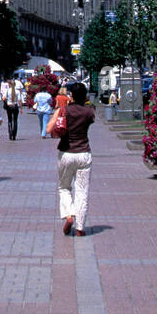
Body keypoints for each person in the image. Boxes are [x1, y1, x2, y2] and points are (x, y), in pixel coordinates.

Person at [57, 83, 96, 237]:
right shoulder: (89, 112)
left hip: (66, 152)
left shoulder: (65, 110)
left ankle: (68, 214)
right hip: (84, 153)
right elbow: (91, 119)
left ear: (71, 95)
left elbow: (58, 128)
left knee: (64, 187)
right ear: (85, 96)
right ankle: (80, 227)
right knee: (82, 191)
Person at [0, 77, 20, 141]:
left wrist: (6, 101)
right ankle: (14, 135)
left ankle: (10, 133)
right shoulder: (17, 91)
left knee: (10, 120)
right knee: (15, 120)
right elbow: (19, 100)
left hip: (9, 106)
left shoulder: (7, 90)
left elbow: (3, 98)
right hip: (15, 106)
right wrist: (21, 108)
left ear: (10, 85)